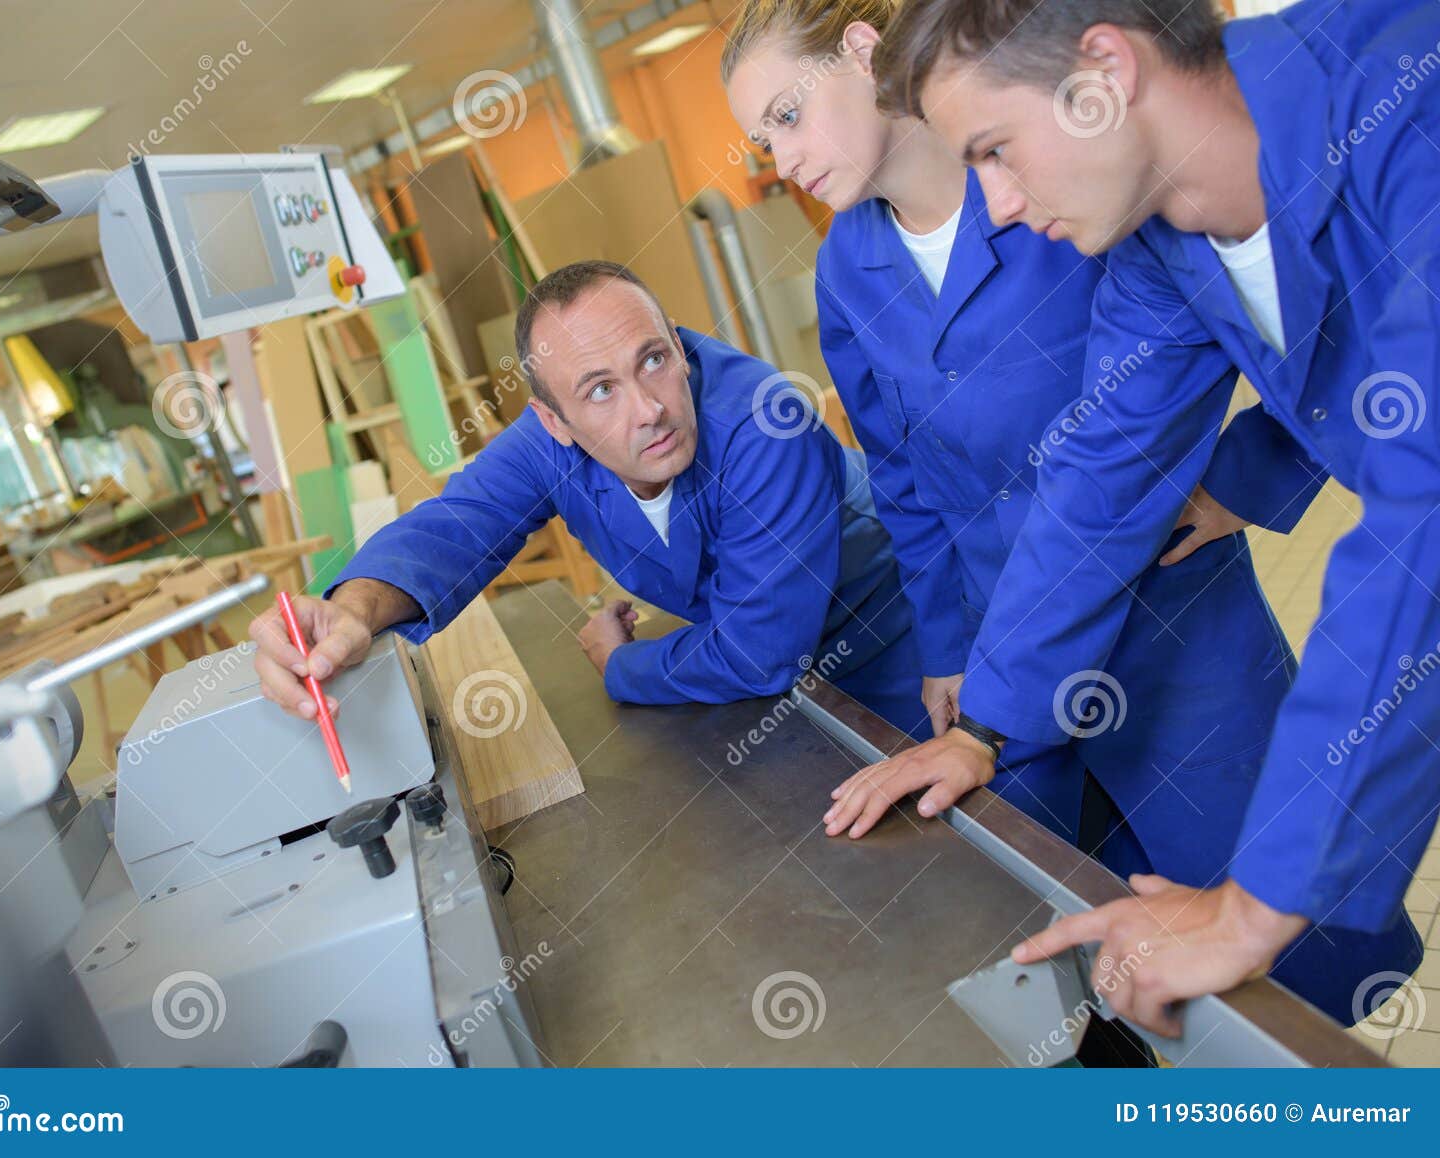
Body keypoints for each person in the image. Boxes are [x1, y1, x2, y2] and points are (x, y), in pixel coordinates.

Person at [866, 0, 1430, 1034]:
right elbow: (1100, 477)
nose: (993, 205)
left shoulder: (1409, 107)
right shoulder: (1164, 242)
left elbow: (1422, 522)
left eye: (995, 150)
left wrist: (1258, 902)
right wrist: (983, 728)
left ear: (1103, 74)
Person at [249, 259, 928, 737]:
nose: (648, 410)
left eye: (654, 361)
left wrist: (621, 664)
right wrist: (352, 612)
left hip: (901, 646)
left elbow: (757, 654)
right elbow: (456, 526)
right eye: (600, 389)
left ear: (681, 349)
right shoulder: (547, 442)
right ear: (553, 420)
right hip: (788, 694)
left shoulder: (763, 425)